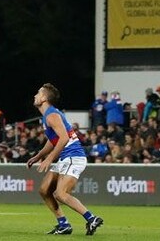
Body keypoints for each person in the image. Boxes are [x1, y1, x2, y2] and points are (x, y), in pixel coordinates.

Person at [27, 83, 103, 236]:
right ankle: (64, 224)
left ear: (44, 98)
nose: (35, 95)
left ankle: (92, 218)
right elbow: (53, 140)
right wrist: (39, 156)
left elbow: (64, 138)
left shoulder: (52, 115)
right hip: (66, 157)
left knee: (60, 194)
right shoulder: (48, 115)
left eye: (38, 93)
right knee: (44, 190)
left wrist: (49, 159)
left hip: (73, 157)